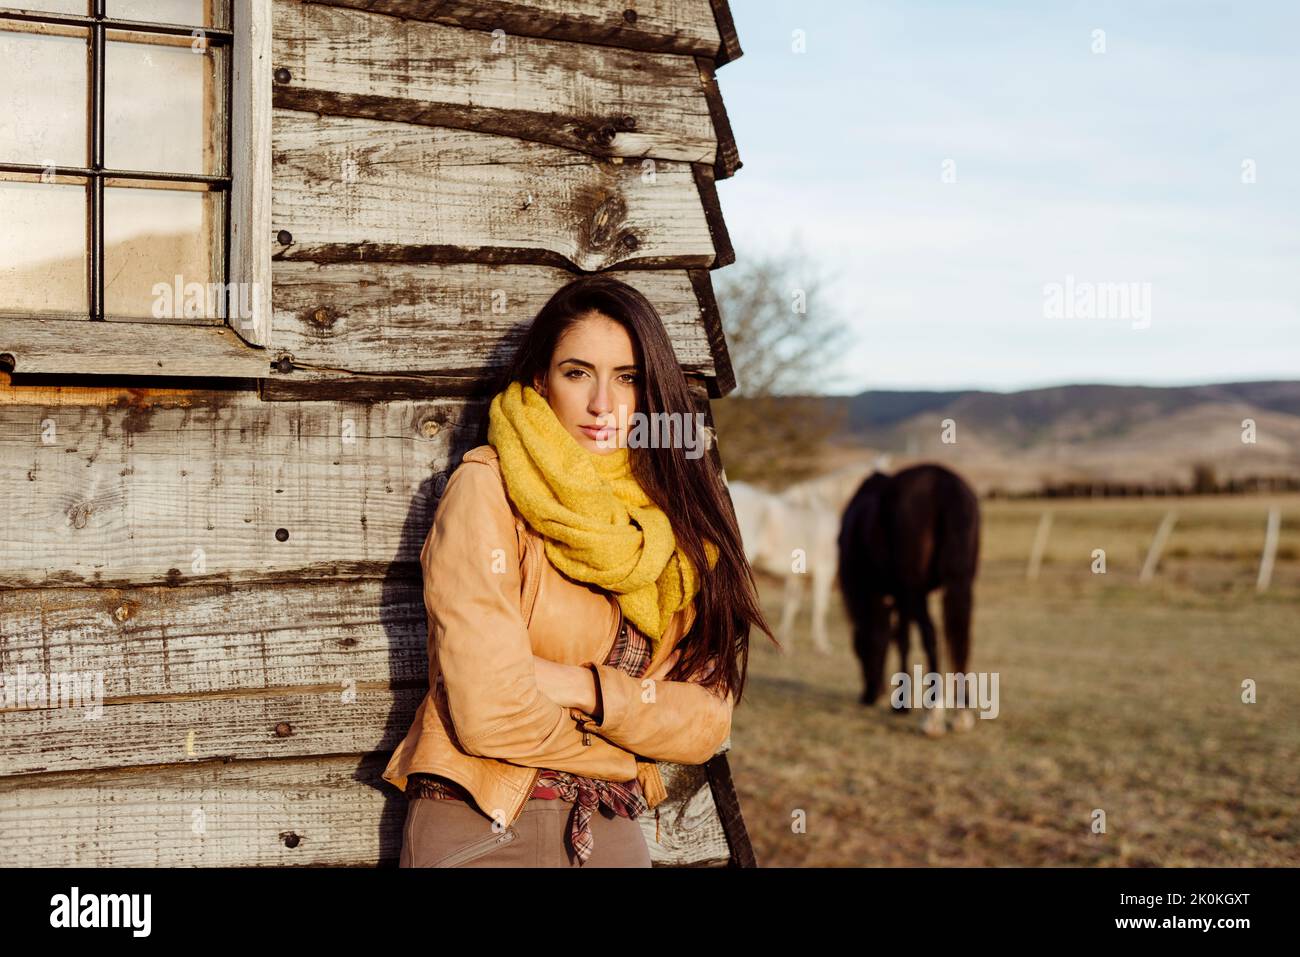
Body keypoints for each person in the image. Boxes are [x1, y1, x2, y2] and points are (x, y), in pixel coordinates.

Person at [387, 275, 776, 867]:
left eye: (627, 378)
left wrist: (581, 688)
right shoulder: (487, 488)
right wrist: (629, 749)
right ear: (541, 381)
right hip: (480, 826)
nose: (603, 404)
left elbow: (704, 723)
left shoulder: (674, 524)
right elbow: (488, 715)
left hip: (609, 828)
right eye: (577, 373)